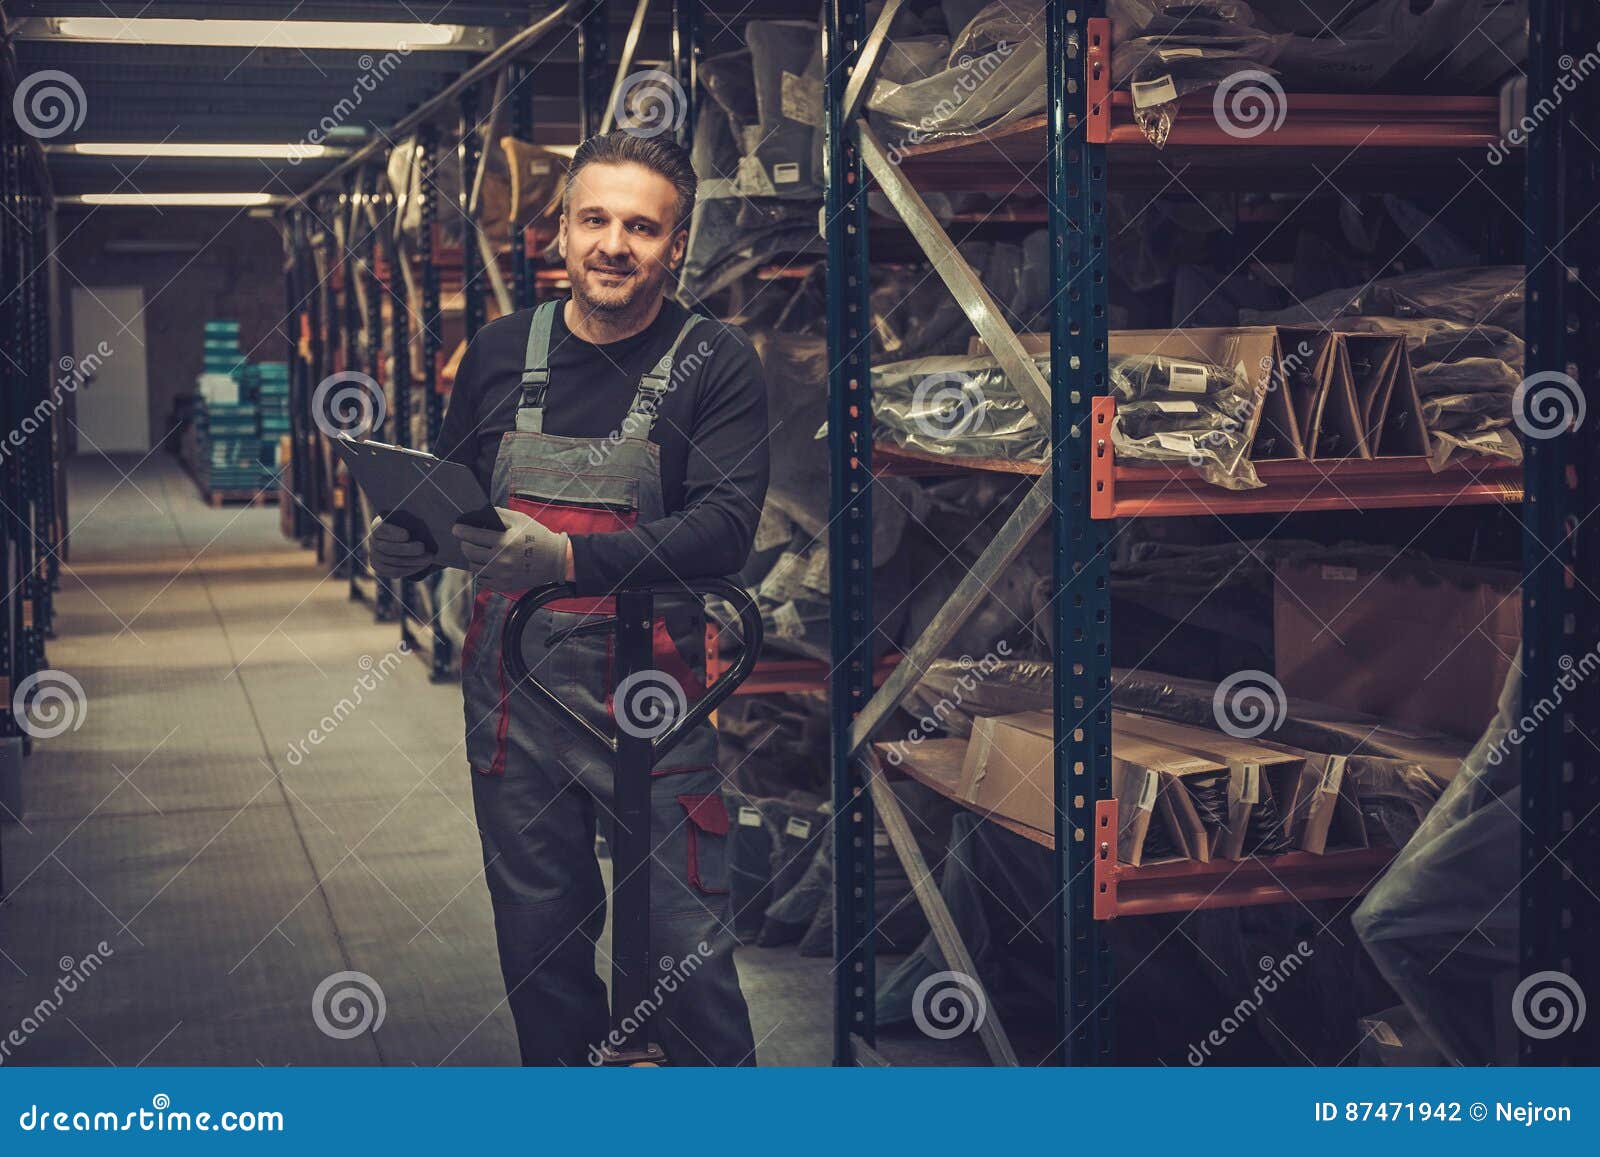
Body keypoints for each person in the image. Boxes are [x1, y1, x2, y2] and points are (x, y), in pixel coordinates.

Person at [367, 131, 769, 1066]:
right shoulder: (502, 351)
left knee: (687, 959)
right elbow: (458, 491)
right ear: (562, 229)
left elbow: (725, 530)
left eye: (642, 225)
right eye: (595, 219)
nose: (614, 244)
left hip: (657, 703)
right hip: (516, 707)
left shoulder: (717, 362)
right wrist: (410, 544)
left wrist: (568, 560)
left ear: (676, 244)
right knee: (542, 962)